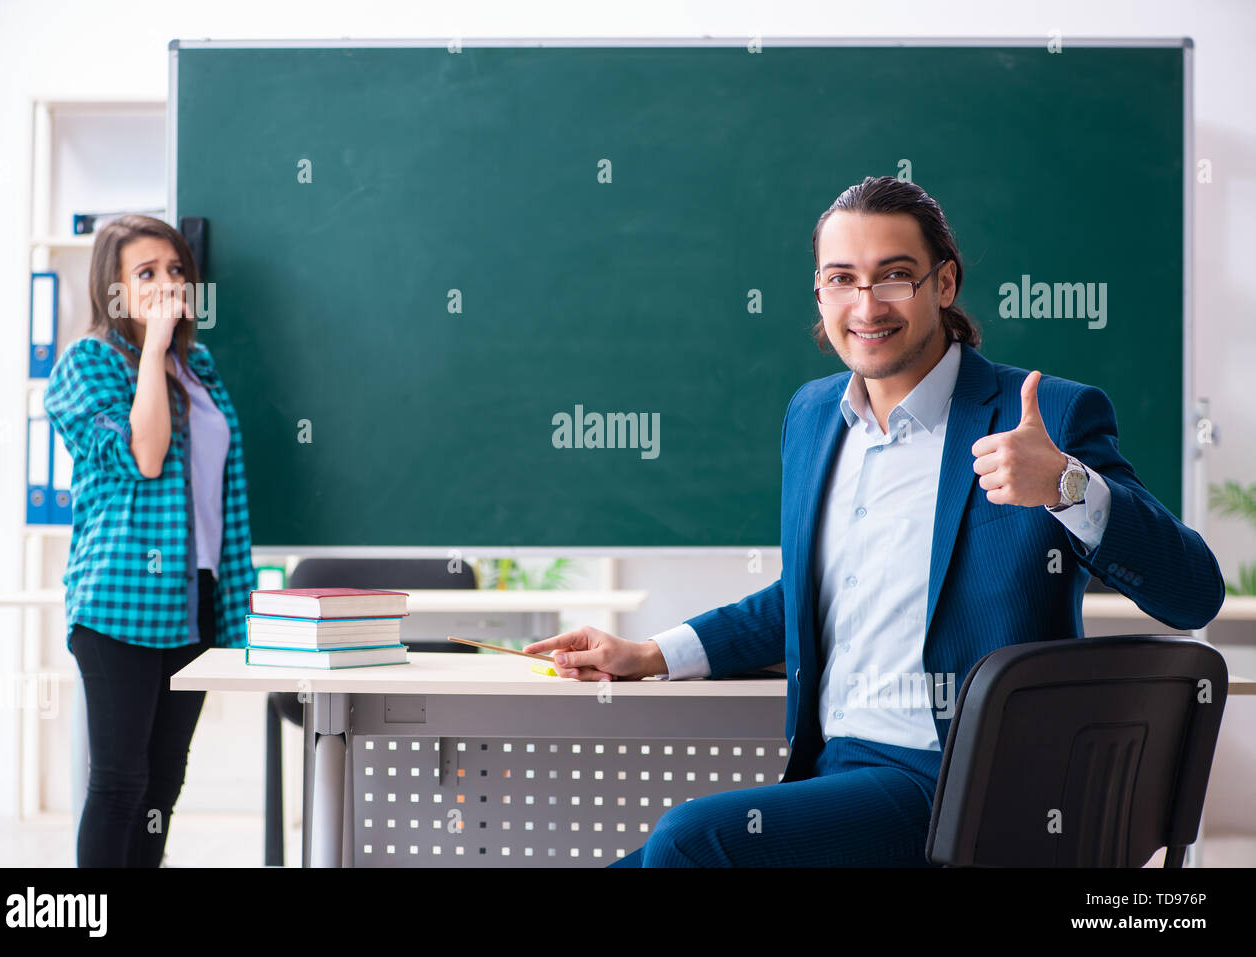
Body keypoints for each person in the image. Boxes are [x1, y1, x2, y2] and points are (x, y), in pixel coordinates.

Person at [523, 175, 1225, 867]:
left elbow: (1193, 594)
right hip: (838, 775)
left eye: (894, 276)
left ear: (943, 284)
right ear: (820, 295)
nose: (867, 304)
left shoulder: (1042, 418)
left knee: (688, 841)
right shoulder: (812, 415)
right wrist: (649, 653)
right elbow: (809, 599)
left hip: (966, 785)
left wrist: (1068, 484)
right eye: (842, 279)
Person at [44, 214, 254, 867]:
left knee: (164, 782)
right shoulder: (88, 363)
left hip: (196, 598)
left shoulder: (202, 366)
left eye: (174, 270)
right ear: (113, 286)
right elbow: (147, 453)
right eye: (146, 273)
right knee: (119, 783)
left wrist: (169, 352)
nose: (167, 283)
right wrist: (156, 349)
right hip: (120, 602)